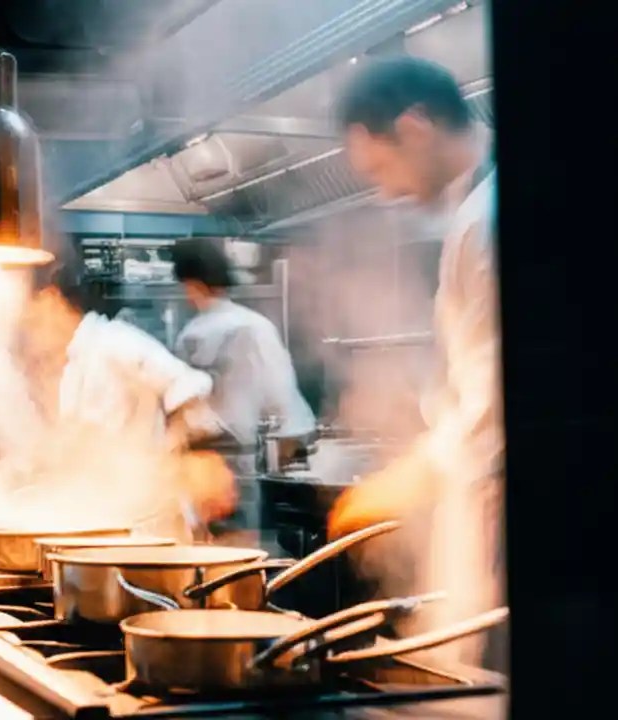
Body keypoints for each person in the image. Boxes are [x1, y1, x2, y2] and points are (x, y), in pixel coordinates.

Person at [326, 56, 502, 669]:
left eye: (381, 168)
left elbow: (492, 408)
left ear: (416, 128)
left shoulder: (487, 220)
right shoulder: (476, 211)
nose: (387, 192)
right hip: (475, 504)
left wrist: (406, 477)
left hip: (498, 517)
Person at [16, 257, 236, 541]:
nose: (31, 330)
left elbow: (188, 385)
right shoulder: (77, 360)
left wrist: (191, 456)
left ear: (51, 299)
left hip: (147, 522)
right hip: (109, 517)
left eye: (31, 316)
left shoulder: (114, 341)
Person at [170, 238, 315, 547]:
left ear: (192, 283)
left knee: (203, 556)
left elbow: (179, 412)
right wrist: (298, 442)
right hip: (242, 467)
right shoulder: (253, 326)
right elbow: (282, 397)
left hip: (197, 466)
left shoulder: (188, 335)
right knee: (241, 558)